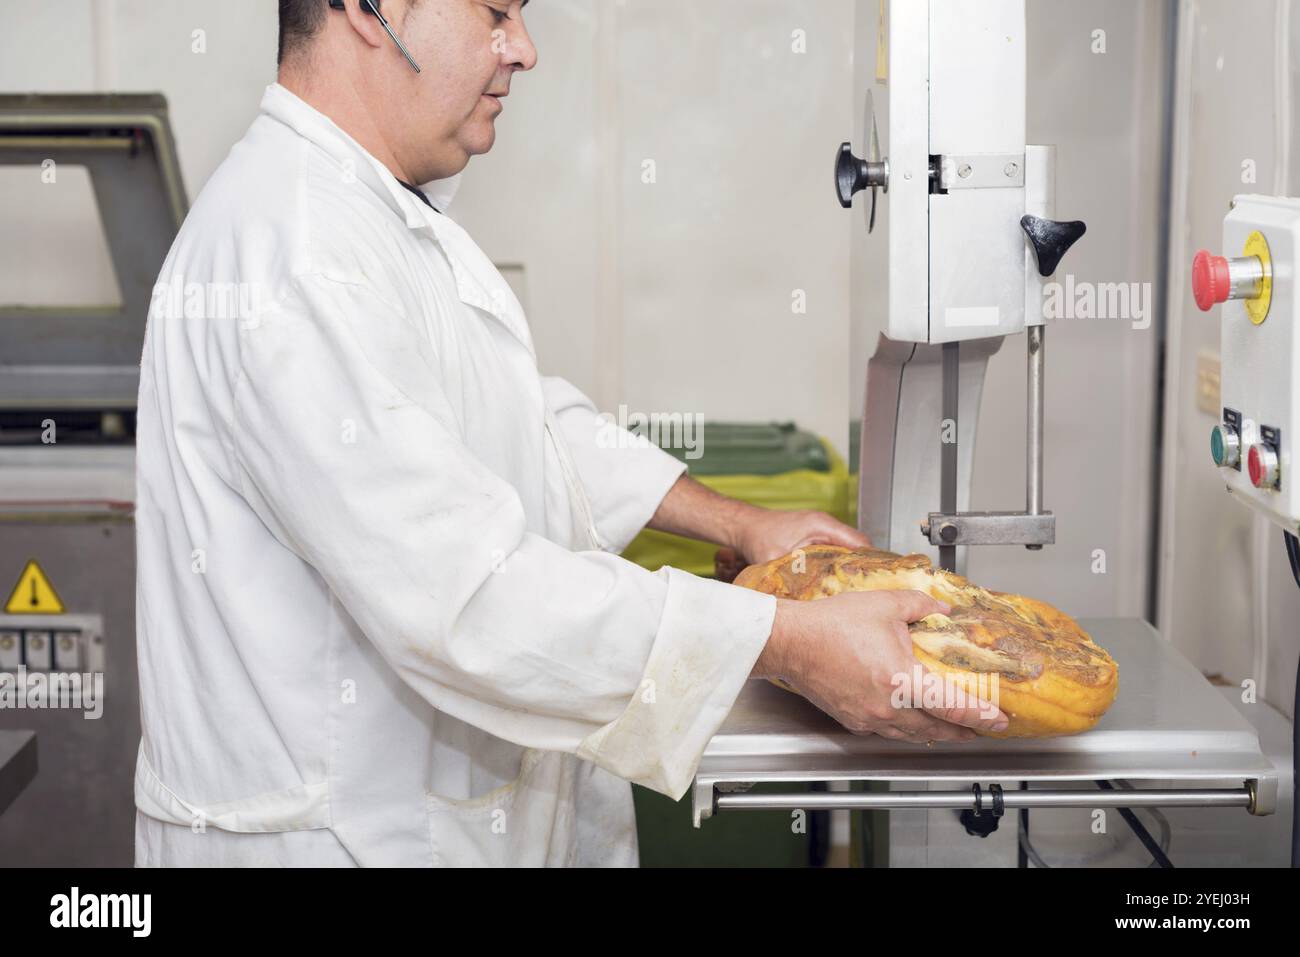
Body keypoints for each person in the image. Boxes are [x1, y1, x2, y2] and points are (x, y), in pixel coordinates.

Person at [133, 0, 1007, 867]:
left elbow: (518, 420)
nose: (525, 49)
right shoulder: (297, 254)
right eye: (496, 11)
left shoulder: (374, 211)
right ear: (374, 12)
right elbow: (472, 597)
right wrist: (785, 641)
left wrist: (738, 523)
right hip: (340, 841)